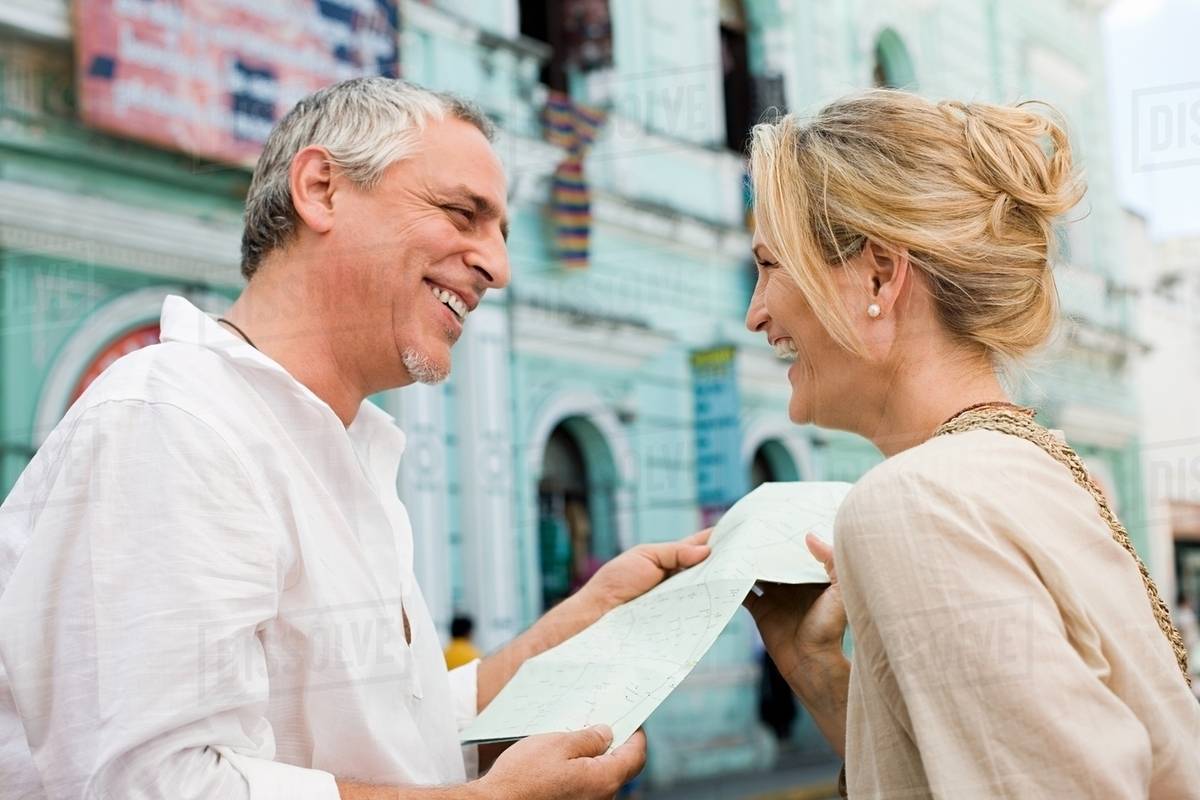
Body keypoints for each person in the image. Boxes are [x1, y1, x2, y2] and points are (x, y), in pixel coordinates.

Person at [0, 77, 712, 800]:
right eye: (463, 214)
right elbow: (155, 784)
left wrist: (582, 620)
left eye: (500, 232)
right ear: (321, 190)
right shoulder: (174, 420)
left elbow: (404, 735)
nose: (498, 268)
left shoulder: (339, 448)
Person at [740, 90, 1200, 798]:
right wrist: (819, 671)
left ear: (879, 275)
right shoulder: (1031, 466)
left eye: (771, 265)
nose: (755, 314)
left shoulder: (918, 502)